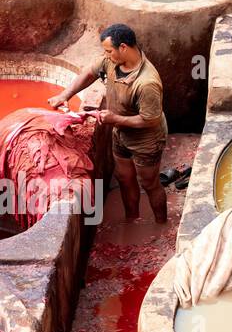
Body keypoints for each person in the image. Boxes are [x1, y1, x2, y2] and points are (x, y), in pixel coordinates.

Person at [49, 23, 169, 223]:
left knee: (149, 184)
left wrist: (115, 119)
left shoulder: (147, 83)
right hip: (120, 133)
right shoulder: (112, 61)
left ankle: (161, 224)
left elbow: (150, 119)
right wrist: (64, 95)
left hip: (146, 139)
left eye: (108, 50)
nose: (106, 55)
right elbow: (89, 73)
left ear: (123, 47)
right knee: (124, 178)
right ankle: (132, 219)